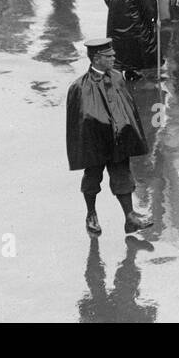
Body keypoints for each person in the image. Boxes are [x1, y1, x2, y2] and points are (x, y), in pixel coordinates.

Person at [66, 37, 152, 237]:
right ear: (96, 58)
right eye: (109, 56)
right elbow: (79, 122)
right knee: (92, 178)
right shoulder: (79, 87)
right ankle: (91, 214)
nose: (114, 58)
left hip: (117, 141)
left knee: (123, 176)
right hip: (95, 144)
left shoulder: (117, 77)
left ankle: (130, 217)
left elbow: (126, 107)